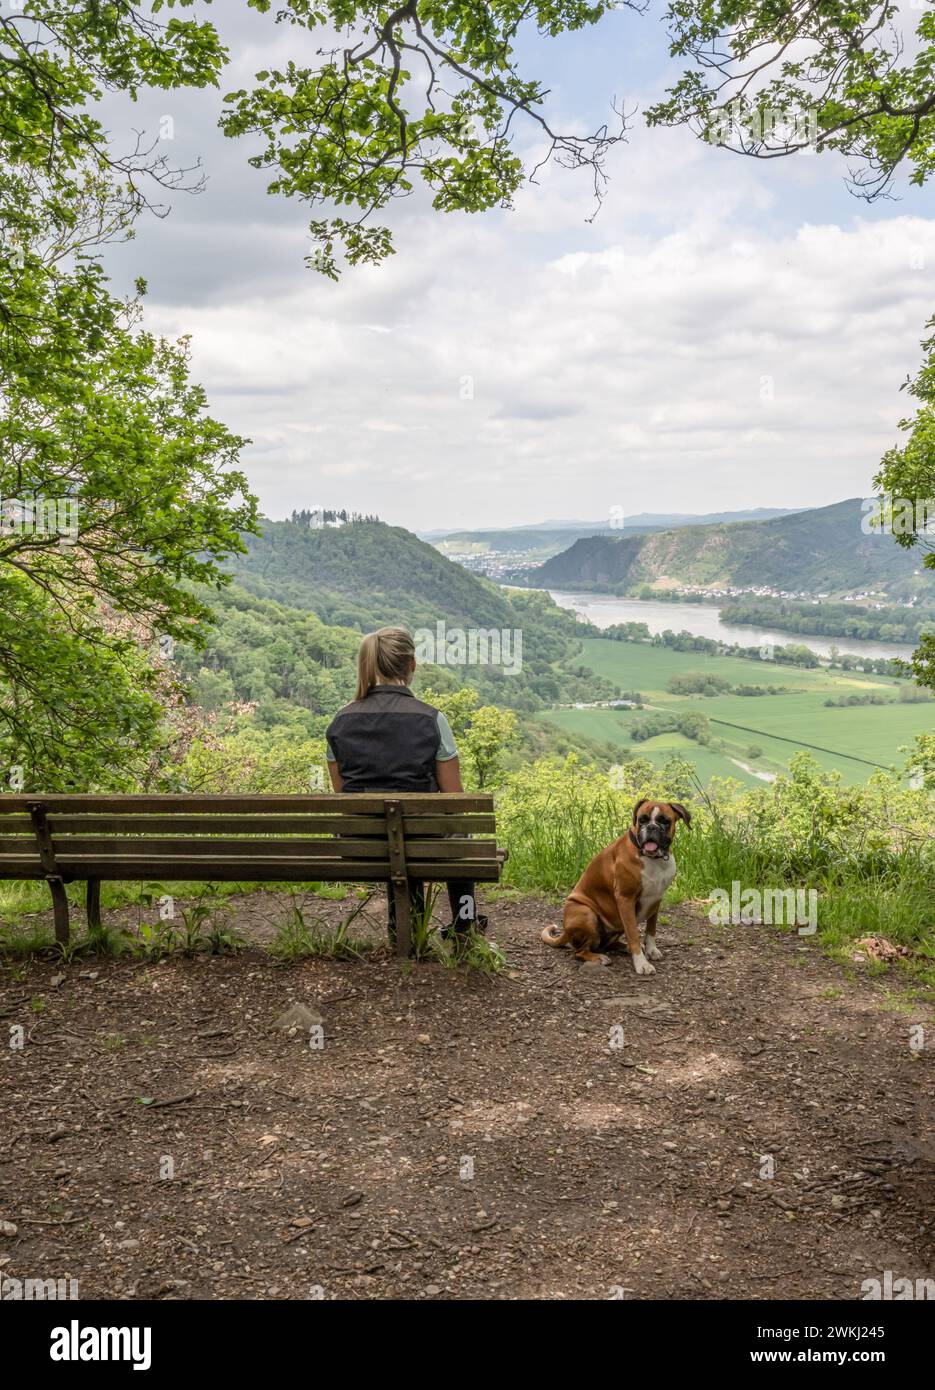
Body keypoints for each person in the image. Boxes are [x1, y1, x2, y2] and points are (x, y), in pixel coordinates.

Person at [325, 626, 486, 943]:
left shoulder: (339, 722)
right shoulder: (431, 719)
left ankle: (405, 931)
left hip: (362, 842)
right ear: (411, 664)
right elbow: (454, 800)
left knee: (393, 830)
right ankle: (465, 924)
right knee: (462, 834)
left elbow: (342, 793)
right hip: (419, 838)